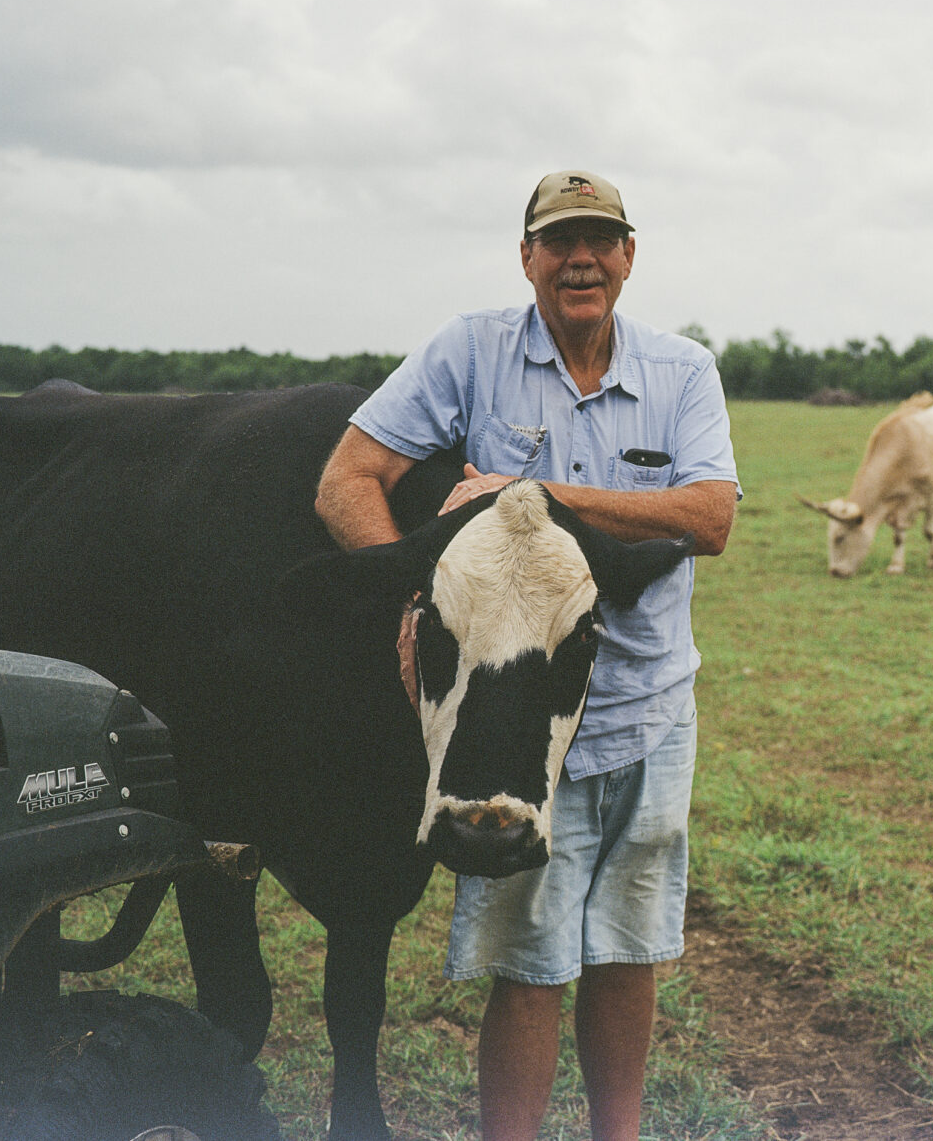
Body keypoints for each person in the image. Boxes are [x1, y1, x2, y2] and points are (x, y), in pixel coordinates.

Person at [315, 169, 739, 1141]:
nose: (579, 259)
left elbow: (710, 518)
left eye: (599, 240)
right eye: (557, 241)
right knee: (529, 960)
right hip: (515, 720)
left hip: (648, 706)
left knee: (630, 950)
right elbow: (346, 479)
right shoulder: (471, 350)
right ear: (526, 258)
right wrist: (413, 597)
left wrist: (530, 493)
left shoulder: (682, 371)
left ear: (629, 256)